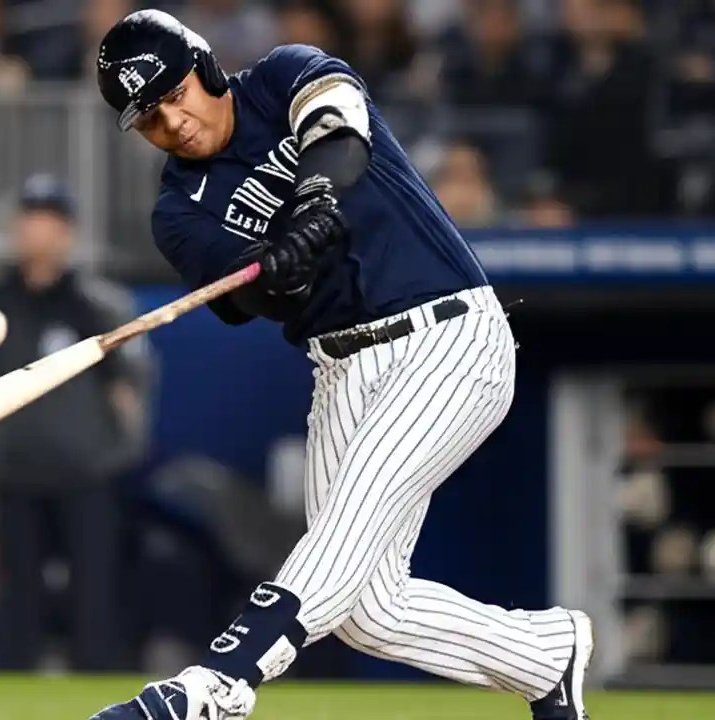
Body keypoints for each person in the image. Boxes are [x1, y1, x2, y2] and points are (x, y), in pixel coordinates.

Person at [89, 11, 591, 720]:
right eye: (151, 117)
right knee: (367, 610)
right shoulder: (177, 210)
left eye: (176, 95)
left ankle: (217, 686)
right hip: (340, 370)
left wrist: (315, 198)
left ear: (202, 69)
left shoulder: (282, 75)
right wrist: (277, 271)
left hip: (446, 336)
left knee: (341, 534)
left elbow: (339, 134)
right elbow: (243, 300)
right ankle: (544, 653)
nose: (175, 122)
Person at [0, 174, 151, 672]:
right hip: (16, 474)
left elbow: (129, 388)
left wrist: (124, 456)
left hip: (87, 474)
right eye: (28, 220)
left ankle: (100, 695)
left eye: (48, 221)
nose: (36, 232)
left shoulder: (96, 304)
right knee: (17, 600)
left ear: (67, 231)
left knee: (95, 596)